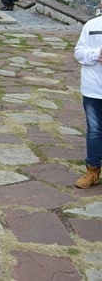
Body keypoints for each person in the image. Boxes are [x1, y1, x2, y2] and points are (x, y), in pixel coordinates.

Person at [73, 16, 102, 189]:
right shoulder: (92, 25)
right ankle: (92, 170)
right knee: (94, 131)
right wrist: (96, 53)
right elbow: (79, 53)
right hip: (93, 88)